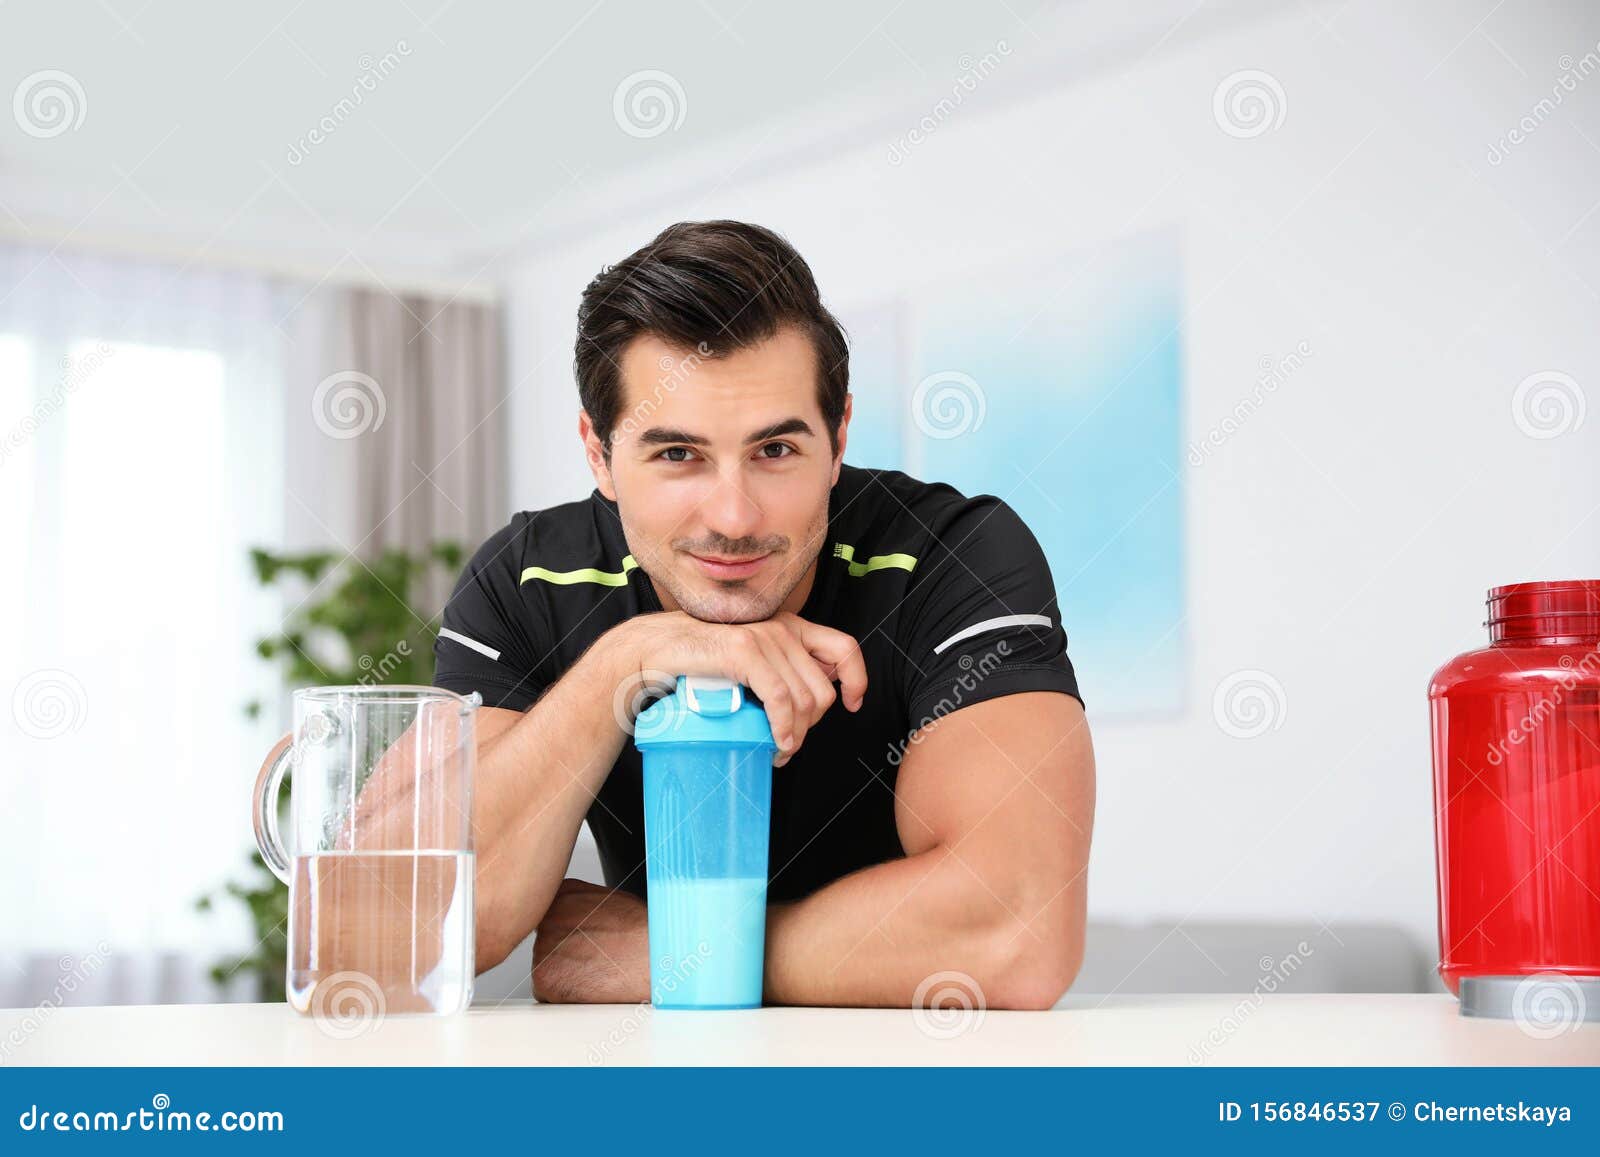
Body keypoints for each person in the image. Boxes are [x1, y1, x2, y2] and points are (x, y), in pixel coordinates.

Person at [432, 220, 1095, 1008]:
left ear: (838, 438)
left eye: (775, 450)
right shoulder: (527, 580)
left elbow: (1018, 933)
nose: (735, 516)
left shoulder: (954, 556)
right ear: (598, 453)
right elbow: (410, 921)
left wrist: (682, 951)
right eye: (677, 454)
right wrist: (625, 659)